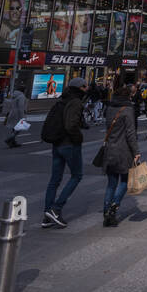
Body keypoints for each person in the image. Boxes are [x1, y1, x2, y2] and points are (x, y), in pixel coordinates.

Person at [41, 77, 87, 228]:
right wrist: (78, 138)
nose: (87, 88)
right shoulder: (76, 102)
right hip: (69, 144)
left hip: (57, 143)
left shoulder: (62, 100)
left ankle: (47, 215)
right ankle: (56, 209)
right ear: (80, 88)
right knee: (77, 175)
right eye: (85, 86)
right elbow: (70, 125)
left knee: (55, 179)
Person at [98, 80, 140, 227]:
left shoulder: (110, 108)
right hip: (123, 151)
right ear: (128, 97)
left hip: (109, 149)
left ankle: (106, 212)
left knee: (111, 184)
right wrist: (136, 152)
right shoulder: (127, 109)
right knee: (124, 181)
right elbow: (130, 133)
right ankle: (113, 208)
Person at [2, 83, 28, 148]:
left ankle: (13, 142)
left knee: (14, 128)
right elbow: (21, 107)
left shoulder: (14, 95)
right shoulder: (21, 96)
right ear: (23, 90)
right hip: (18, 114)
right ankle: (9, 139)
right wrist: (22, 117)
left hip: (12, 113)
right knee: (18, 128)